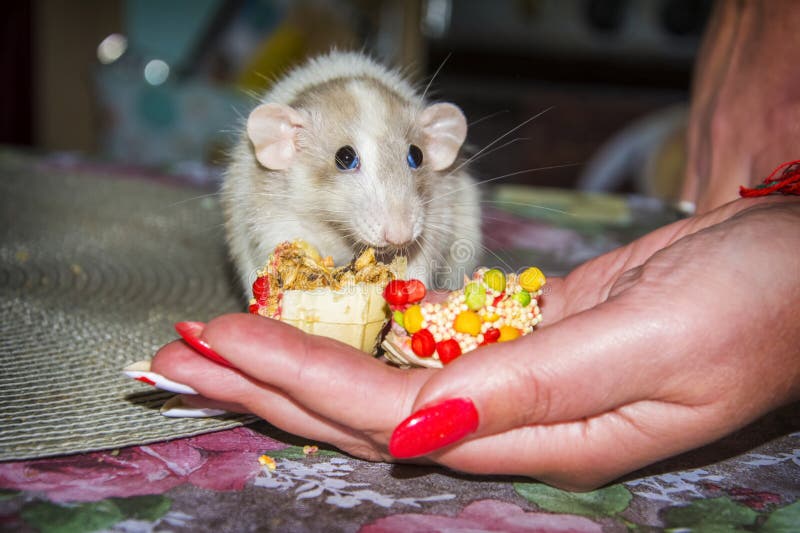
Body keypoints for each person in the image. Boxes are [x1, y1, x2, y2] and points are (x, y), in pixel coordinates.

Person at [151, 1, 799, 491]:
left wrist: (414, 297)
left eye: (413, 157)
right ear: (284, 143)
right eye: (345, 159)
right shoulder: (270, 167)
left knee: (442, 205)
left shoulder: (425, 174)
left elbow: (421, 216)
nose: (397, 226)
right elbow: (258, 244)